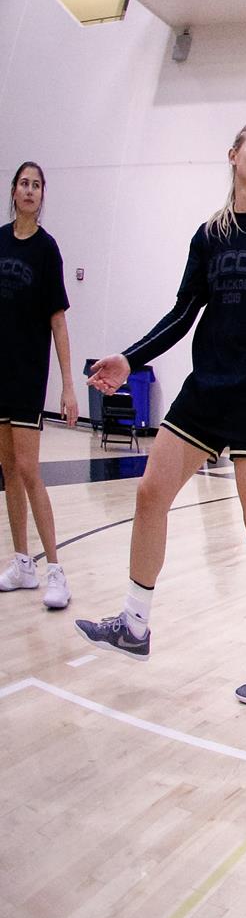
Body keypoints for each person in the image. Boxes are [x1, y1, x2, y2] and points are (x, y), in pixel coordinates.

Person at [74, 121, 246, 706]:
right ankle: (135, 624)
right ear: (232, 156)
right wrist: (128, 359)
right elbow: (183, 314)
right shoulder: (209, 236)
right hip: (207, 389)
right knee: (150, 493)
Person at [0, 162, 78, 610]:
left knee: (29, 471)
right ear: (13, 191)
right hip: (0, 374)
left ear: (41, 195)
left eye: (36, 185)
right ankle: (21, 563)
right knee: (8, 471)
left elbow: (58, 321)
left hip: (29, 374)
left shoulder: (47, 251)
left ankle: (56, 570)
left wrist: (68, 385)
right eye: (23, 183)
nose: (29, 190)